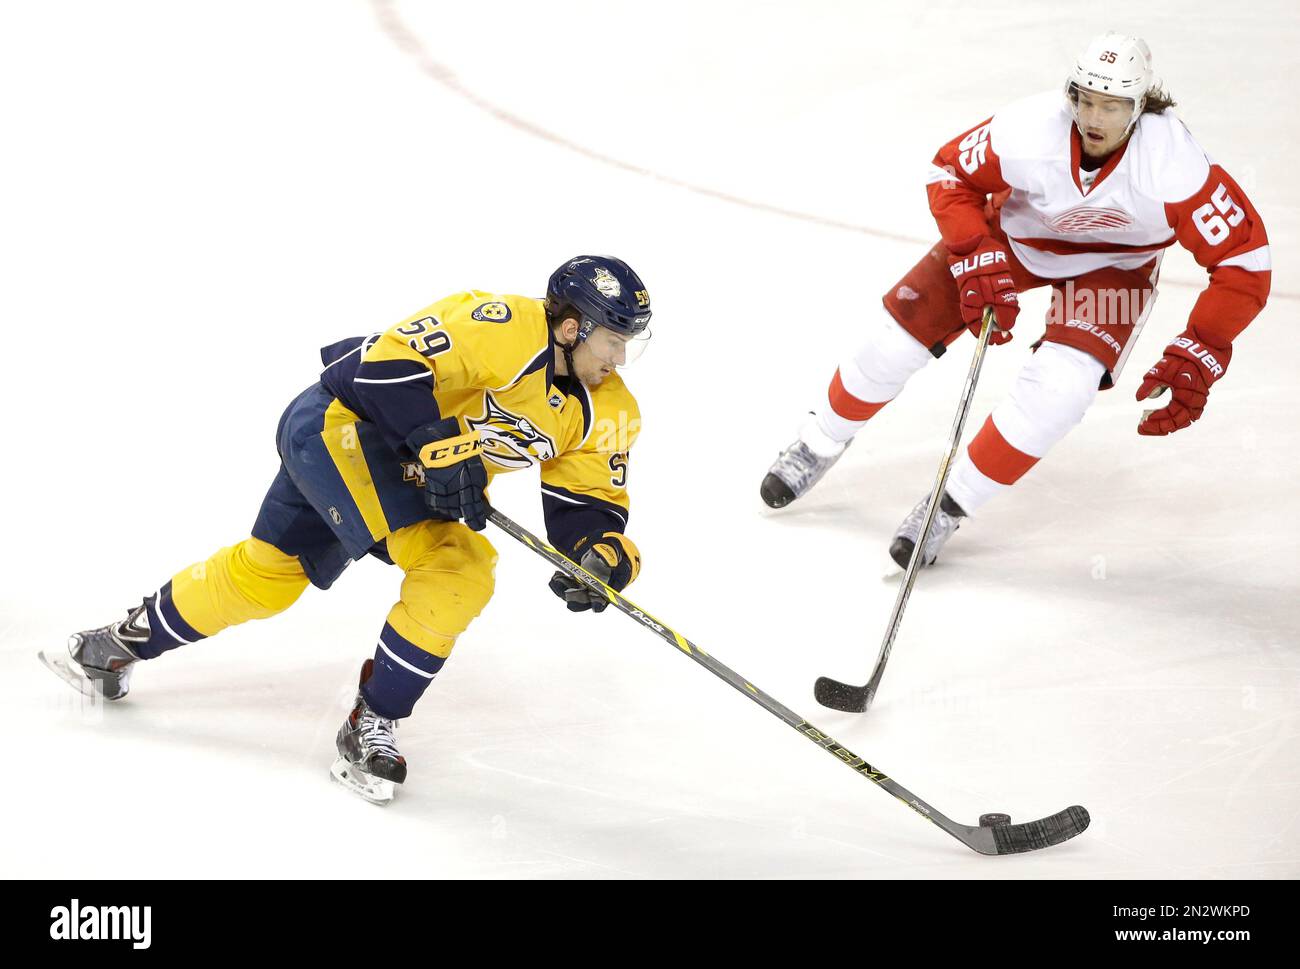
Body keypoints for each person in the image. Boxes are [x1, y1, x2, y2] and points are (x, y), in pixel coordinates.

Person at [40, 255, 652, 803]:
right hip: (340, 423)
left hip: (393, 464)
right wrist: (438, 446)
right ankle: (371, 722)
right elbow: (385, 365)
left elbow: (589, 502)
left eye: (630, 342)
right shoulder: (500, 324)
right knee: (458, 566)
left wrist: (599, 557)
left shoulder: (610, 409)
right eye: (612, 339)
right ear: (571, 326)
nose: (620, 357)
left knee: (267, 575)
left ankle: (115, 644)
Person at [761, 33, 1270, 569]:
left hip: (1115, 267)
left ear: (1139, 108)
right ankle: (819, 442)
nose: (1095, 117)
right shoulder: (1030, 127)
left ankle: (948, 507)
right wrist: (972, 248)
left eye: (1113, 105)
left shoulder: (1175, 165)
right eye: (1086, 99)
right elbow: (949, 171)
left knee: (1061, 389)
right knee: (892, 340)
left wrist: (1205, 343)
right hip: (1013, 239)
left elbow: (1245, 260)